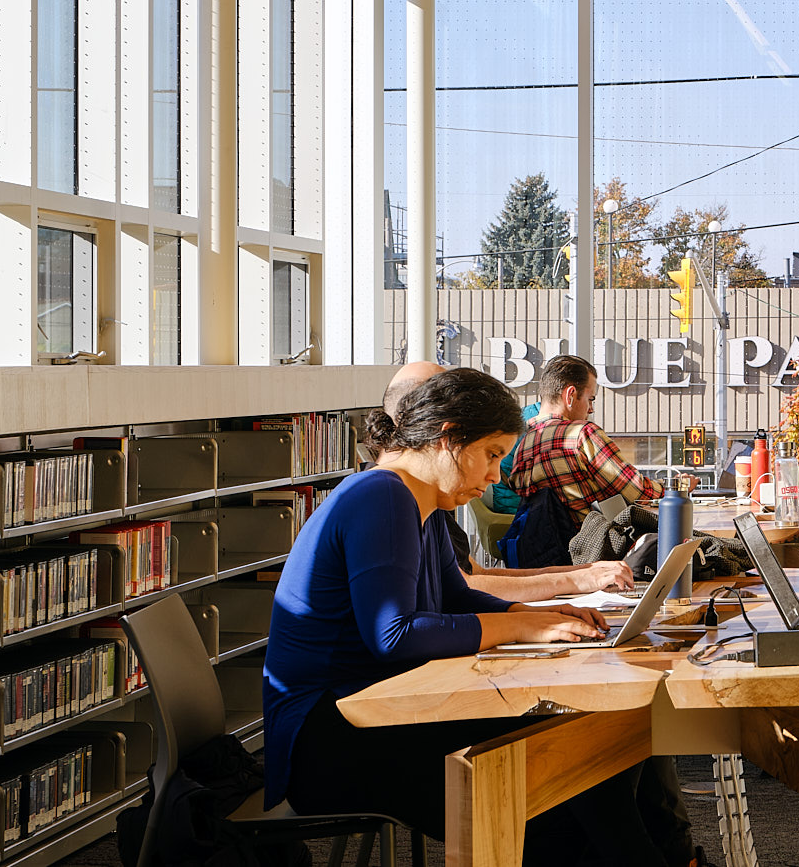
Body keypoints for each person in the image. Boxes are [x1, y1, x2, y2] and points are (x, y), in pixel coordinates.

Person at [262, 367, 672, 861]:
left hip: (379, 710)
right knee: (562, 784)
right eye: (492, 455)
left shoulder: (422, 501)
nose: (496, 476)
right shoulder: (382, 496)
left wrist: (537, 614)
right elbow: (393, 636)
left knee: (582, 757)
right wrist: (522, 624)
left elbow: (457, 597)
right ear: (448, 438)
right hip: (332, 740)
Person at [382, 362, 635, 599]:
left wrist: (580, 575)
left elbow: (473, 578)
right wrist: (571, 584)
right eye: (492, 455)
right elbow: (404, 630)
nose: (495, 476)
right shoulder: (387, 502)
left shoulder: (430, 507)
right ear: (441, 430)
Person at [507, 354, 662, 523]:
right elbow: (639, 492)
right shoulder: (582, 434)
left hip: (543, 546)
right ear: (570, 395)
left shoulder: (522, 446)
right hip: (593, 545)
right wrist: (674, 487)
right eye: (590, 399)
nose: (591, 409)